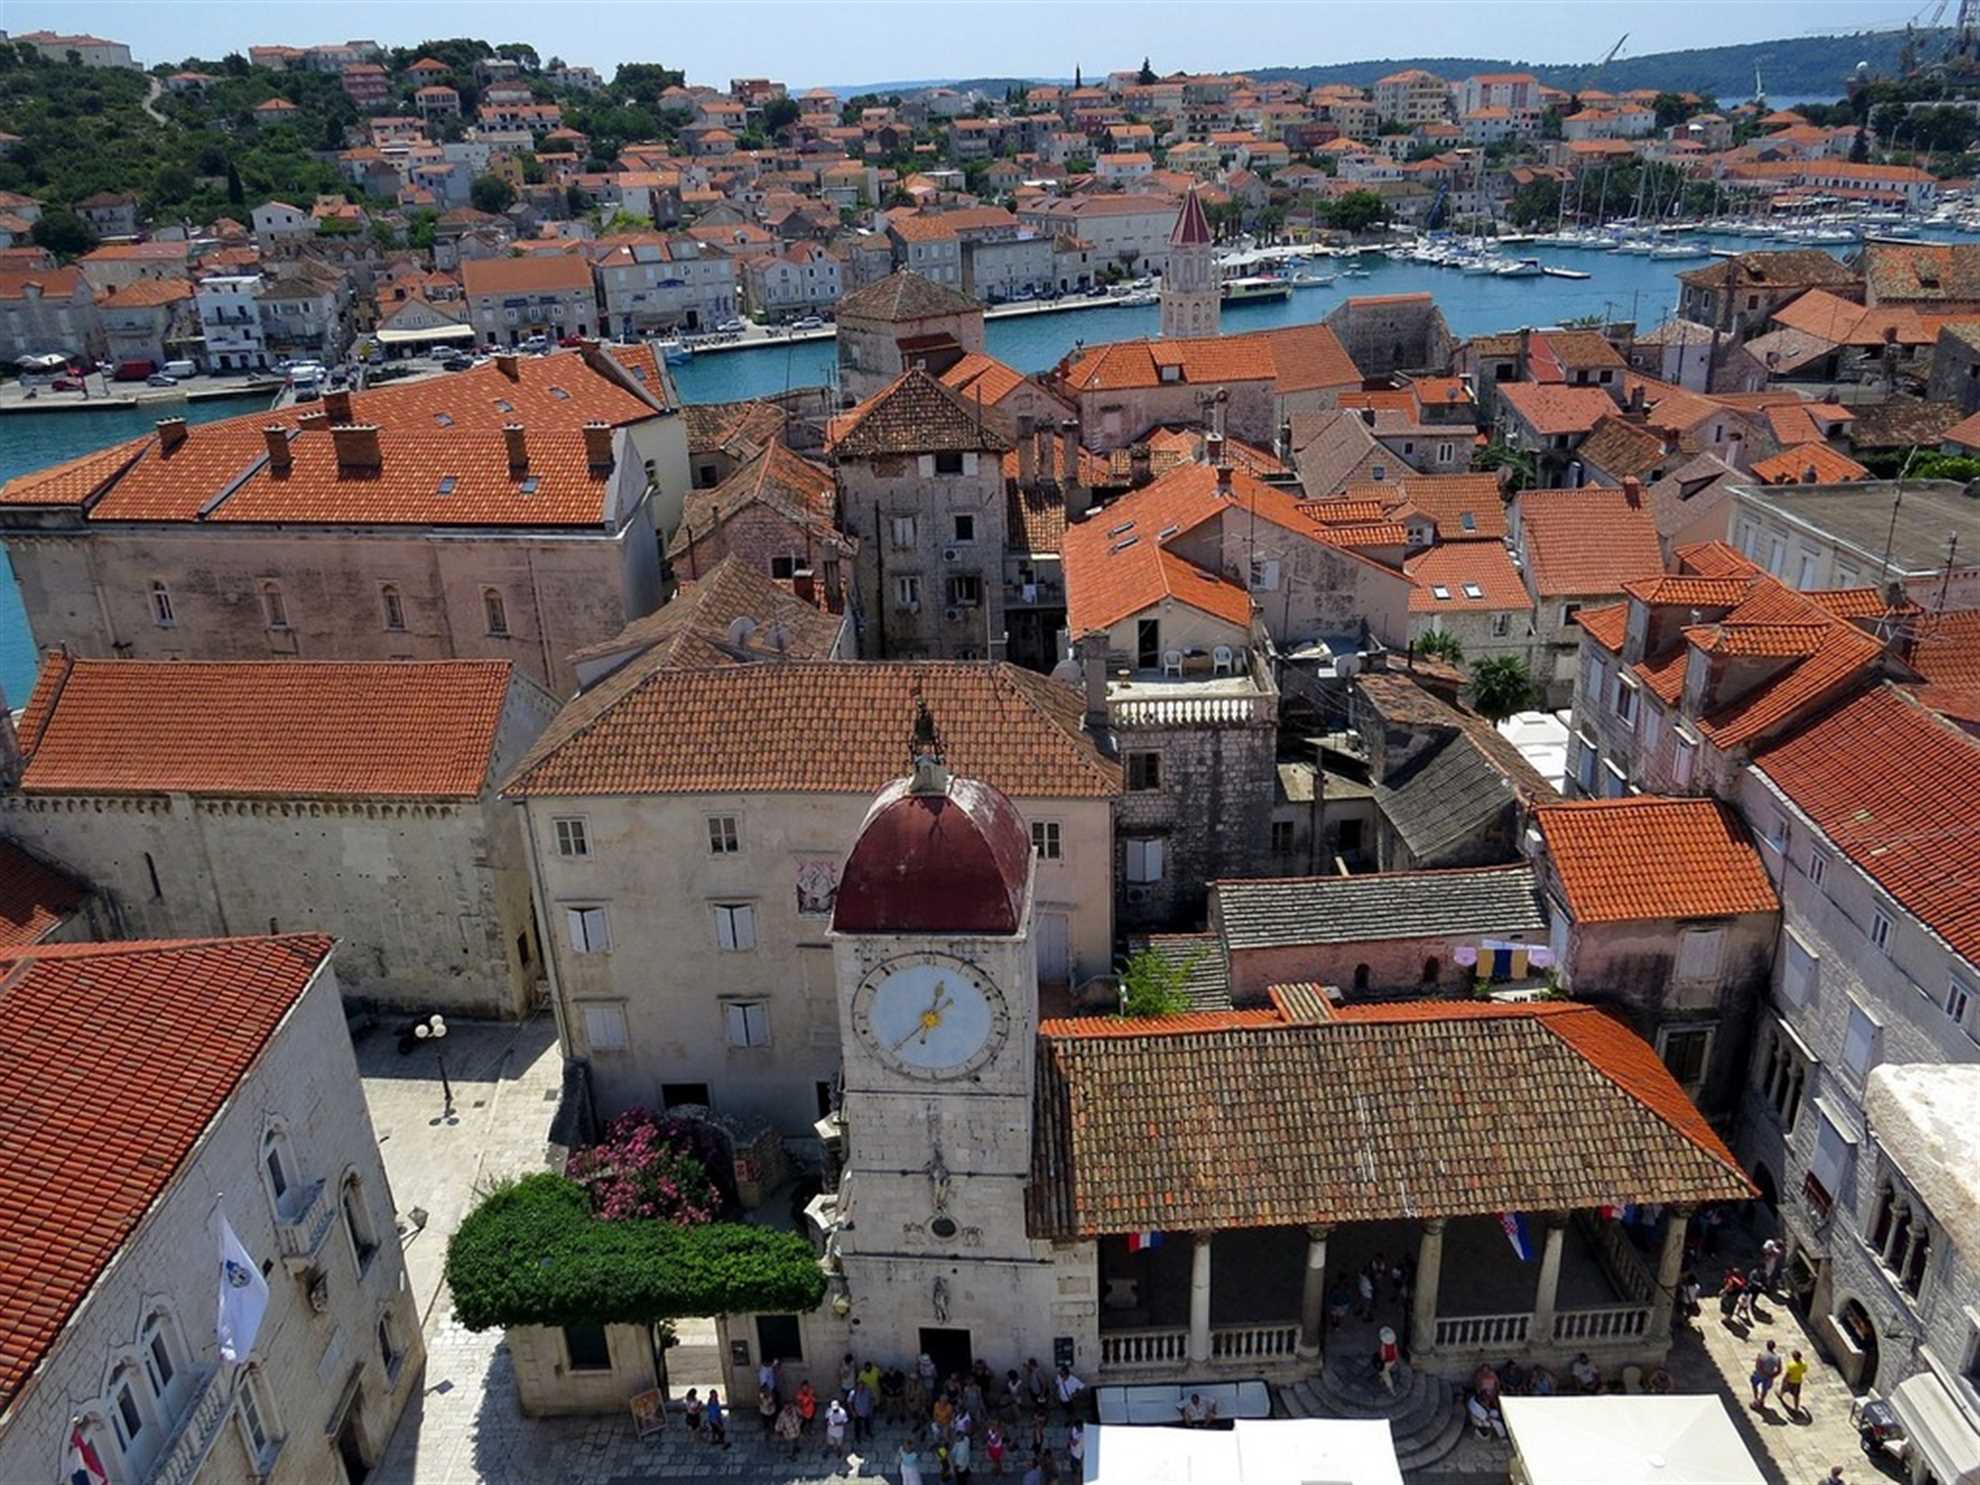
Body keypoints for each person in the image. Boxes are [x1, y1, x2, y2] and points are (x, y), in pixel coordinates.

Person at [1752, 1339, 1783, 1409]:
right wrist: (1772, 1376)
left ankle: (1756, 1399)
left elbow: (1757, 1366)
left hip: (1759, 1374)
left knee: (1754, 1384)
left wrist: (1763, 1372)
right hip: (1769, 1376)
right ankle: (1761, 1400)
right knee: (1765, 1389)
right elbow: (1779, 1370)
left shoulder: (1761, 1355)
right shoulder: (1777, 1358)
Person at [1376, 1326, 1403, 1395]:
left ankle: (1391, 1389)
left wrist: (1381, 1359)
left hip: (1386, 1362)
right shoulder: (1394, 1344)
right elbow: (1396, 1353)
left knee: (1386, 1374)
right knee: (1385, 1370)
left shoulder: (1383, 1346)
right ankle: (1381, 1378)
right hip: (1392, 1361)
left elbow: (1383, 1356)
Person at [1782, 1349, 1809, 1416]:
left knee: (1784, 1388)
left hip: (1790, 1381)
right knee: (1796, 1395)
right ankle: (1796, 1408)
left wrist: (1784, 1380)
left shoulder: (1791, 1365)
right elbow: (1804, 1371)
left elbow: (1788, 1374)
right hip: (1798, 1382)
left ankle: (1780, 1395)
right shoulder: (1804, 1364)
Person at [851, 1376, 876, 1443]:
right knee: (857, 1426)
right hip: (857, 1413)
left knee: (867, 1424)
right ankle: (857, 1437)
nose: (861, 1387)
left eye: (862, 1386)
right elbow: (849, 1402)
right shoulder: (853, 1392)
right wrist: (853, 1411)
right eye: (859, 1386)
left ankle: (868, 1433)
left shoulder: (868, 1391)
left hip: (867, 1412)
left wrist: (871, 1408)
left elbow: (872, 1398)